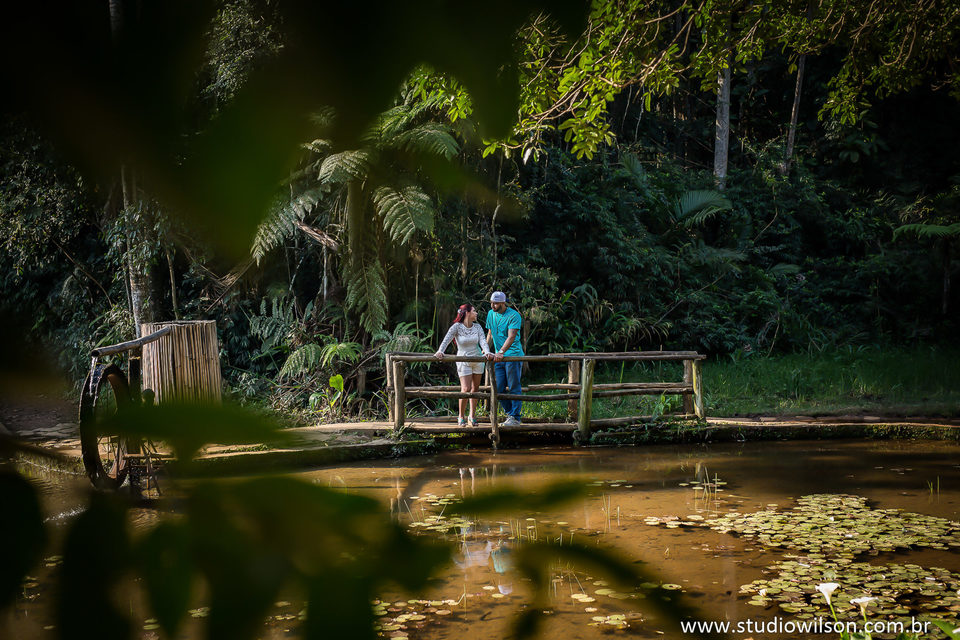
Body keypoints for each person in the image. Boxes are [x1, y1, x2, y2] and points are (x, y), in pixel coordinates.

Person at [434, 303, 492, 427]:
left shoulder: (477, 327)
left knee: (475, 389)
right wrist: (440, 351)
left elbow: (483, 340)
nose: (476, 313)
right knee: (465, 389)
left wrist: (486, 352)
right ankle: (461, 416)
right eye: (474, 310)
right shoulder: (457, 327)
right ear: (467, 313)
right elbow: (447, 339)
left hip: (477, 360)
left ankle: (472, 416)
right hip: (463, 360)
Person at [486, 291, 524, 425]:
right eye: (491, 303)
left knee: (514, 386)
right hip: (498, 357)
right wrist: (485, 350)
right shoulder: (490, 314)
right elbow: (490, 334)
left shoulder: (514, 315)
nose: (492, 306)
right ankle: (510, 414)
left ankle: (515, 418)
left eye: (495, 303)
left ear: (503, 303)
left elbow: (511, 336)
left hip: (512, 355)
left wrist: (501, 351)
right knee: (498, 387)